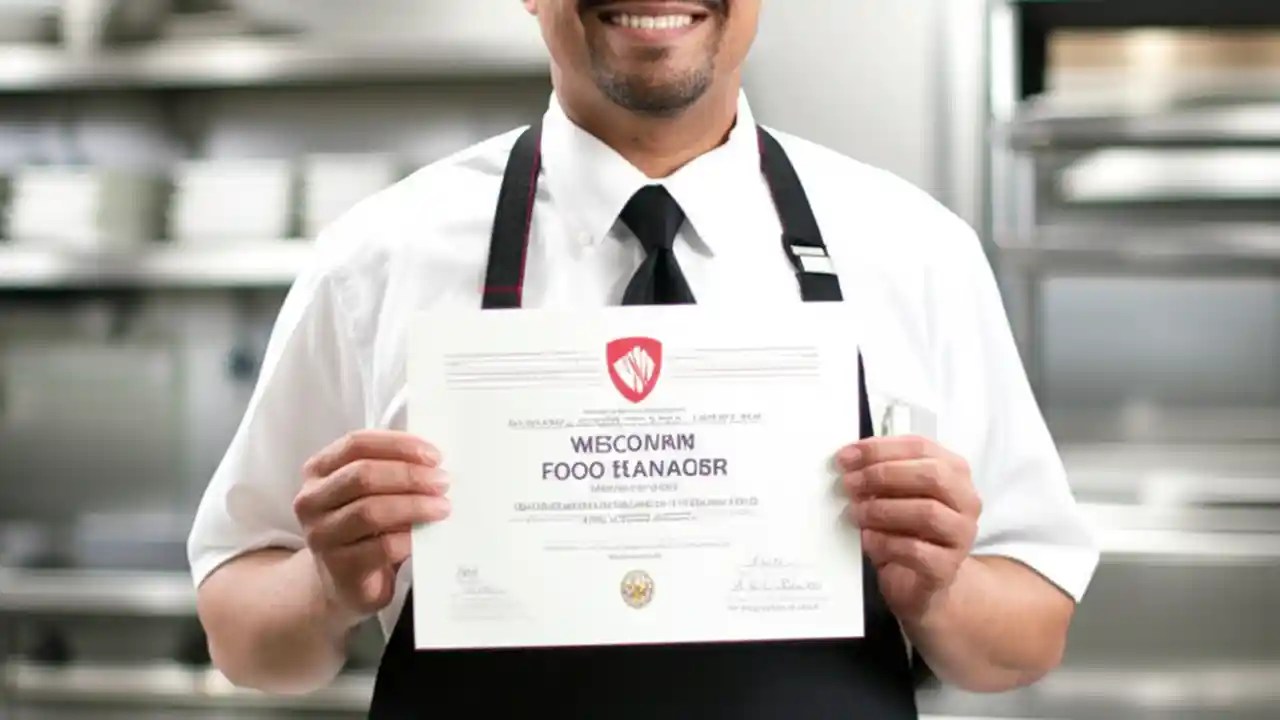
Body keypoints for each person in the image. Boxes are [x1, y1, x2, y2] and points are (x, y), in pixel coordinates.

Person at [187, 1, 1100, 717]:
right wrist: (324, 585)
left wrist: (938, 593)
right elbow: (240, 632)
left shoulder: (914, 251)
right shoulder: (376, 260)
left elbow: (1028, 636)